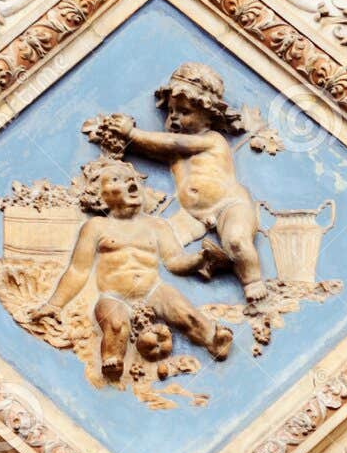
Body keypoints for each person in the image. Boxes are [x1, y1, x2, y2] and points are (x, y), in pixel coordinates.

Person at [30, 158, 233, 381]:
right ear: (100, 195)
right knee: (115, 324)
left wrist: (200, 259)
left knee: (182, 309)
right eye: (117, 180)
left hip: (153, 290)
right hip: (114, 296)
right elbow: (78, 271)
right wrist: (54, 305)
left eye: (132, 179)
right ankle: (113, 359)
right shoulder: (96, 227)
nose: (130, 184)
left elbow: (174, 261)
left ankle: (213, 339)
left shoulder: (157, 226)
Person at [84, 61, 268, 302]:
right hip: (193, 215)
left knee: (236, 240)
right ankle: (207, 262)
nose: (174, 118)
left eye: (184, 112)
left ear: (208, 115)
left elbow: (170, 143)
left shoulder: (211, 140)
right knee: (159, 247)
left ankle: (252, 282)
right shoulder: (175, 150)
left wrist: (132, 134)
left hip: (229, 206)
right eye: (171, 111)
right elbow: (155, 148)